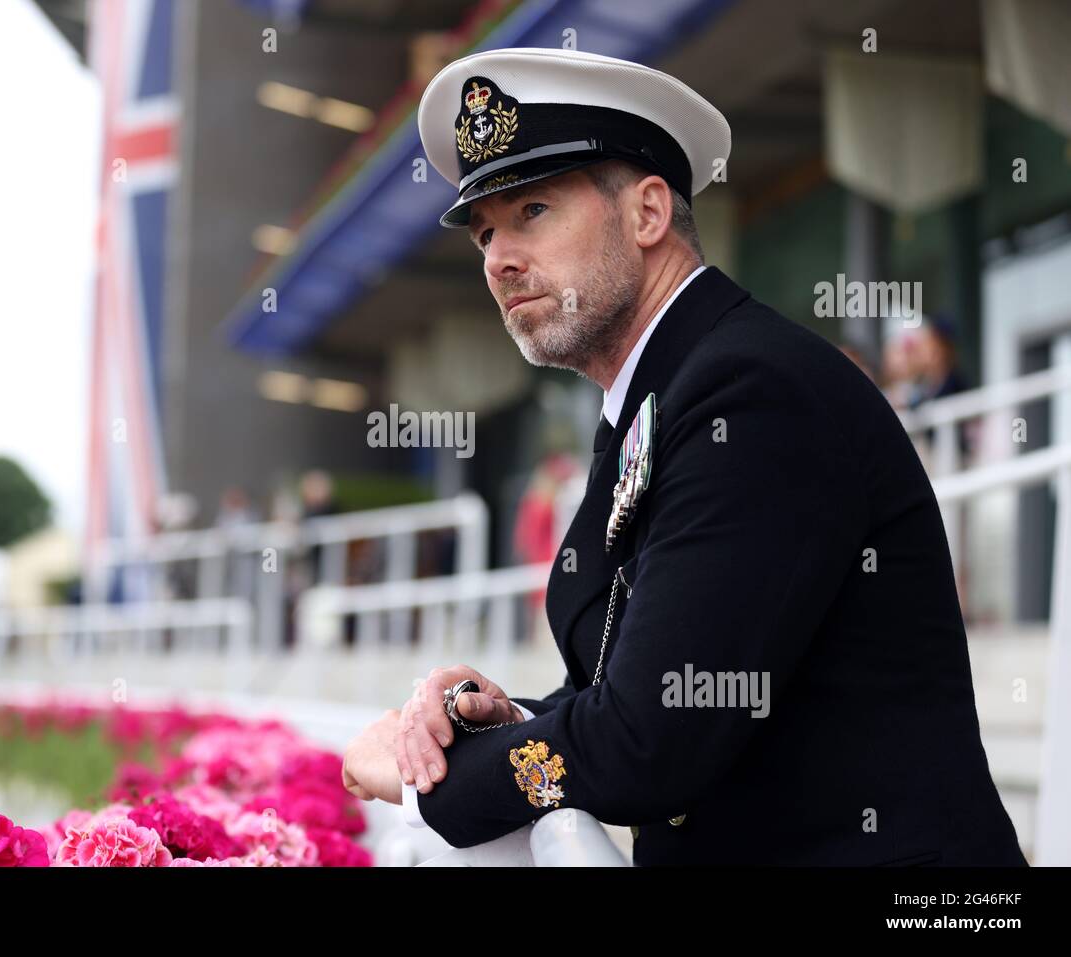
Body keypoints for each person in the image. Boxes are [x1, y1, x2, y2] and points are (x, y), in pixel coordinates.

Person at [340, 48, 1025, 866]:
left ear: (649, 213)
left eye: (533, 211)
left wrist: (426, 777)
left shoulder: (751, 392)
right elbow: (626, 691)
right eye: (485, 231)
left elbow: (649, 738)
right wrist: (502, 720)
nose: (497, 257)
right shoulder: (656, 401)